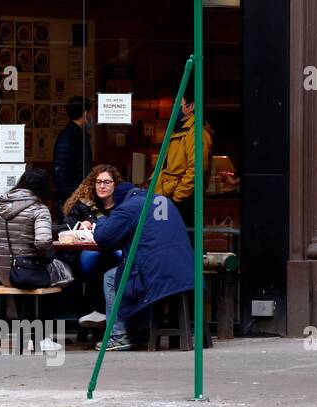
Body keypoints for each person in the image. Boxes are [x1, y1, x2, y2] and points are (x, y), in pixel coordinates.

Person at [91, 184, 195, 352]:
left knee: (111, 277)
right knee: (127, 273)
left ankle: (118, 336)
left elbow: (103, 238)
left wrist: (102, 219)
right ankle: (139, 334)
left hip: (157, 273)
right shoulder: (164, 200)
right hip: (186, 270)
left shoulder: (128, 207)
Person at [0, 167, 74, 289]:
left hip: (5, 276)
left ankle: (27, 308)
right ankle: (57, 308)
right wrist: (47, 258)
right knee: (65, 271)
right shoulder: (39, 209)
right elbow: (43, 242)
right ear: (44, 188)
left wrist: (5, 254)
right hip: (28, 273)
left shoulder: (3, 208)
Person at [60, 164, 126, 329]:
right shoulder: (83, 205)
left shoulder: (124, 207)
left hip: (117, 255)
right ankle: (98, 311)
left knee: (116, 259)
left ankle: (102, 313)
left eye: (107, 182)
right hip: (86, 259)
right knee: (95, 257)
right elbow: (64, 232)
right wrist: (81, 227)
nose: (102, 186)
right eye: (98, 182)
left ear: (115, 184)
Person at [153, 89, 213, 233]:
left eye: (177, 104)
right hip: (166, 197)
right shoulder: (180, 130)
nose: (174, 107)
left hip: (181, 201)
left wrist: (178, 197)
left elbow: (196, 170)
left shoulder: (197, 132)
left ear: (191, 107)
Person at [52, 96, 93, 215]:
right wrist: (74, 194)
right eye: (90, 113)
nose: (91, 116)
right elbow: (61, 170)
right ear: (85, 114)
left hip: (75, 194)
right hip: (72, 195)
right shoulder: (71, 136)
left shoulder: (74, 135)